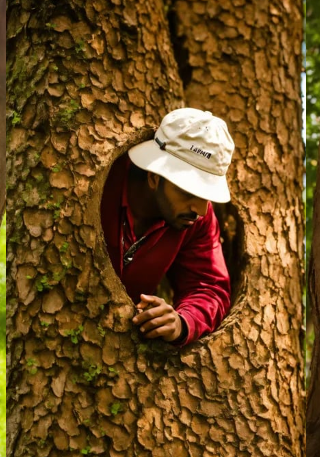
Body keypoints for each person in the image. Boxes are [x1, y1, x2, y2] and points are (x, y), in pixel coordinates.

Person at [100, 108, 233, 347]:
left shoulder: (197, 218)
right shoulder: (103, 186)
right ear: (154, 176)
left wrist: (182, 322)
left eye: (207, 194)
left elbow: (209, 286)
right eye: (190, 191)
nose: (201, 210)